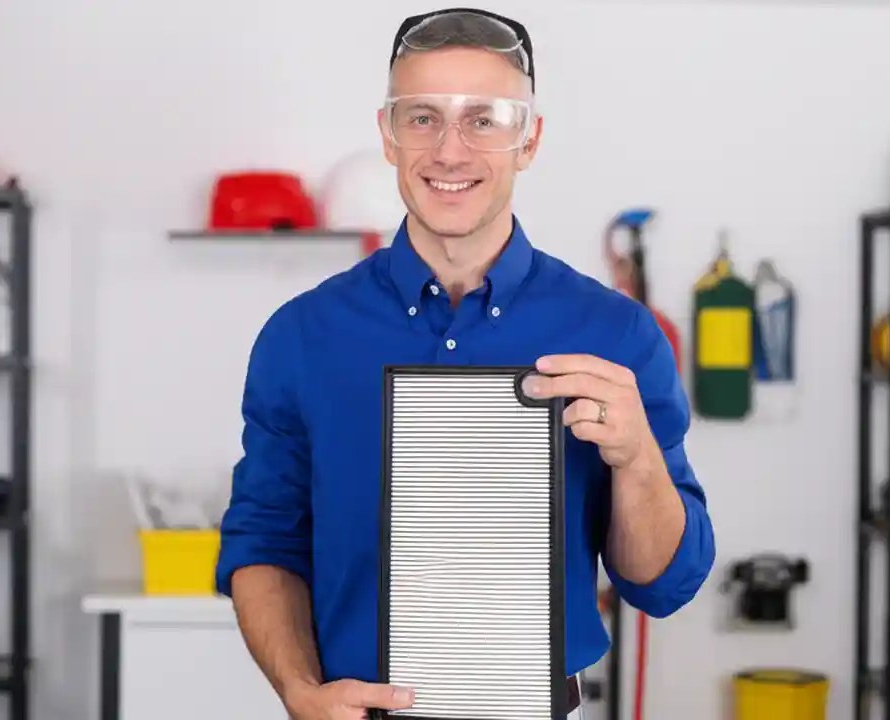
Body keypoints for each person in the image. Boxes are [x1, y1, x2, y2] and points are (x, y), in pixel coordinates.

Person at [215, 8, 715, 720]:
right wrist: (298, 689)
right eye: (423, 118)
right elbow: (265, 540)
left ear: (529, 139)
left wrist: (637, 460)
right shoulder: (301, 336)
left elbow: (663, 584)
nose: (450, 151)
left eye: (484, 119)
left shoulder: (617, 334)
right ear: (388, 136)